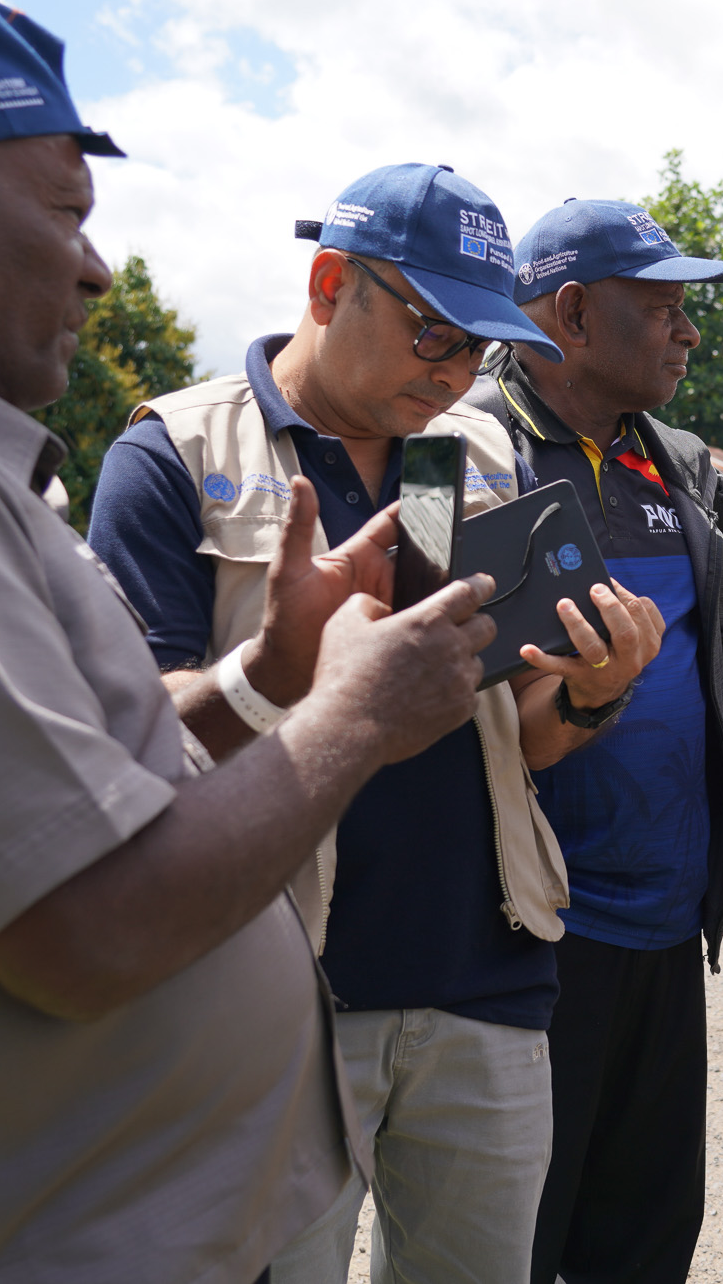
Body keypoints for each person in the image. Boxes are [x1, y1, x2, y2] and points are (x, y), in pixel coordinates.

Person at [0, 0, 503, 1282]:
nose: (94, 266)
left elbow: (62, 789)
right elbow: (89, 922)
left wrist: (263, 679)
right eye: (69, 212)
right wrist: (356, 717)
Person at [87, 167, 664, 1284]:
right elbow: (131, 746)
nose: (452, 372)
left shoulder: (475, 455)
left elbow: (522, 732)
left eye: (477, 347)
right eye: (431, 332)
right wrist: (279, 671)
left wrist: (598, 687)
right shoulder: (176, 455)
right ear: (325, 284)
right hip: (275, 993)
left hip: (484, 977)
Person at [465, 198, 723, 1284]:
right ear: (574, 314)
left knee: (642, 1236)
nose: (689, 333)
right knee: (511, 1239)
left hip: (664, 929)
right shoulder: (459, 451)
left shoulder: (677, 465)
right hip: (522, 931)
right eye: (664, 308)